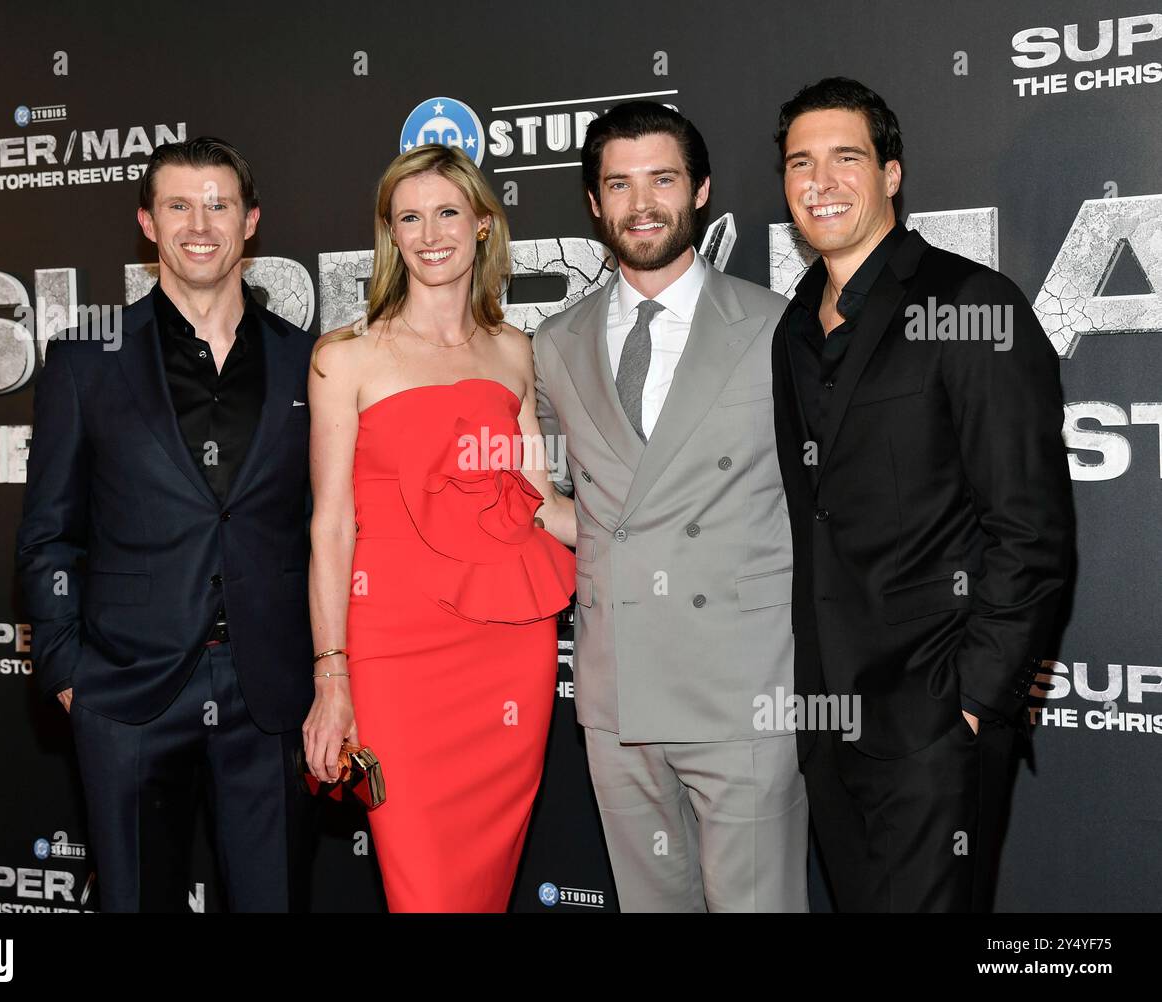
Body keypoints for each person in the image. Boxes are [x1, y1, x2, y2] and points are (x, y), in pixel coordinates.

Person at [770, 77, 1074, 911]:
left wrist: (974, 703)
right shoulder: (794, 324)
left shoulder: (972, 306)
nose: (820, 182)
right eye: (801, 162)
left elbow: (1030, 528)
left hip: (934, 722)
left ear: (892, 174)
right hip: (829, 722)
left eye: (846, 158)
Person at [16, 137, 318, 912]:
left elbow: (327, 525)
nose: (200, 224)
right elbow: (49, 530)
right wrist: (67, 670)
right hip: (128, 690)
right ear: (147, 222)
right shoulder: (87, 358)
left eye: (219, 204)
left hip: (270, 693)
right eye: (178, 204)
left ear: (250, 222)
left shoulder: (305, 362)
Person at [533, 101, 807, 912]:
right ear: (594, 203)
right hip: (619, 693)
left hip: (743, 685)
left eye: (662, 179)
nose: (641, 203)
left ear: (702, 191)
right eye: (619, 184)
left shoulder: (776, 327)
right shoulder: (555, 341)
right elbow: (548, 482)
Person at [304, 144, 576, 912]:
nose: (430, 234)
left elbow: (539, 502)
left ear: (484, 226)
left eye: (448, 213)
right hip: (394, 650)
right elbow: (329, 527)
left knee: (485, 882)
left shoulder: (514, 351)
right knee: (422, 885)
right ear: (391, 235)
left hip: (506, 650)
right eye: (409, 218)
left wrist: (648, 529)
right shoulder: (345, 357)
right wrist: (332, 677)